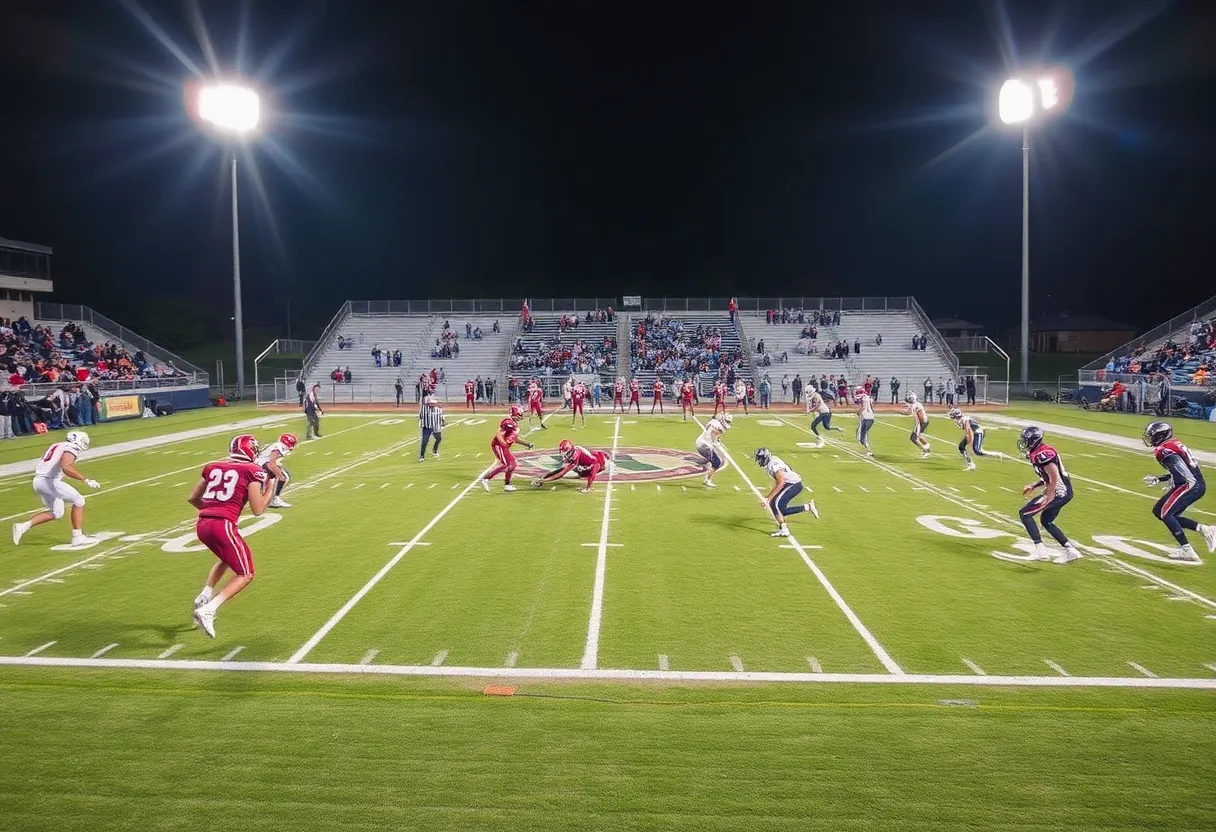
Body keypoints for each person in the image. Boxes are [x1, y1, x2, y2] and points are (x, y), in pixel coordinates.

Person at [188, 434, 276, 638]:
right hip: (223, 525)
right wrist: (271, 487)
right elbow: (258, 509)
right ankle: (209, 609)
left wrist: (212, 511)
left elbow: (193, 498)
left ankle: (205, 595)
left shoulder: (212, 467)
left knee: (227, 559)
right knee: (246, 573)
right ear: (252, 451)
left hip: (202, 524)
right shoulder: (251, 470)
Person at [1140, 421, 1216, 561]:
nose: (1150, 438)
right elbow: (1183, 470)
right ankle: (1205, 529)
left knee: (1166, 514)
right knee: (1158, 511)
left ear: (1160, 435)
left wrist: (1171, 482)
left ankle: (1187, 550)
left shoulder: (1163, 450)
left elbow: (1182, 473)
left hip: (1190, 485)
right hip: (1192, 483)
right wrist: (1160, 479)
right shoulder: (1172, 445)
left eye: (1152, 435)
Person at [12, 430, 101, 547]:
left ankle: (22, 527)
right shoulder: (70, 448)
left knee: (56, 512)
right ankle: (78, 537)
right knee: (79, 500)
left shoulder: (57, 445)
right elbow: (66, 467)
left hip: (38, 480)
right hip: (49, 480)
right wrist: (85, 480)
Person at [1016, 426, 1083, 564]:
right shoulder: (1038, 452)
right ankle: (1071, 551)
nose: (1024, 442)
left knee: (1025, 514)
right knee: (1046, 521)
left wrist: (1049, 496)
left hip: (1059, 492)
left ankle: (1041, 551)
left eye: (1026, 440)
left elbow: (1053, 478)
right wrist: (1033, 485)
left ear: (1034, 440)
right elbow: (1047, 477)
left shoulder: (1043, 454)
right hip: (1060, 491)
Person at [754, 448, 818, 538]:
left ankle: (784, 530)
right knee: (780, 510)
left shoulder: (773, 464)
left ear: (765, 457)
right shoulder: (772, 461)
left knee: (775, 504)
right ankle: (807, 507)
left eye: (760, 458)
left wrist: (767, 498)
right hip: (789, 483)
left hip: (793, 484)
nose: (758, 461)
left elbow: (781, 482)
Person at [482, 406, 534, 492]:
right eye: (520, 414)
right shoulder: (508, 422)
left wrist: (526, 444)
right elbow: (499, 434)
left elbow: (514, 438)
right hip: (499, 445)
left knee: (512, 464)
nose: (522, 415)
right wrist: (504, 444)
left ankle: (507, 485)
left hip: (503, 446)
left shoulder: (514, 424)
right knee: (506, 465)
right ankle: (486, 479)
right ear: (515, 414)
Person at [530, 439, 610, 493]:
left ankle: (542, 480)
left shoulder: (576, 456)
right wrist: (543, 479)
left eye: (566, 453)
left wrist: (587, 488)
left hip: (590, 466)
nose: (565, 455)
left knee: (568, 473)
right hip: (585, 464)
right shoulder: (574, 452)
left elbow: (561, 474)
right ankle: (541, 479)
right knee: (560, 470)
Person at [255, 432, 297, 508]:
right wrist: (279, 475)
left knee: (277, 475)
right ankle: (274, 500)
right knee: (284, 476)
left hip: (257, 464)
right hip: (260, 465)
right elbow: (271, 463)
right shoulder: (279, 447)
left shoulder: (275, 445)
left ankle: (262, 497)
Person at [694, 414, 732, 488]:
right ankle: (707, 480)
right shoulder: (720, 428)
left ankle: (704, 469)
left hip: (700, 442)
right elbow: (714, 440)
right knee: (717, 463)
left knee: (711, 462)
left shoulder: (713, 421)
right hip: (704, 446)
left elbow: (712, 421)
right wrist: (719, 446)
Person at [419, 395, 445, 461]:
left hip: (436, 427)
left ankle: (434, 450)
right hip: (427, 428)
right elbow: (421, 416)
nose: (432, 405)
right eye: (431, 403)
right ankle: (422, 456)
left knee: (439, 438)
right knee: (424, 442)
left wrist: (442, 423)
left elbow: (442, 417)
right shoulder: (424, 410)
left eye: (433, 404)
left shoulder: (439, 410)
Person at [904, 393, 931, 457]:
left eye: (910, 398)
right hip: (923, 422)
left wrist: (903, 412)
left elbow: (911, 413)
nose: (910, 400)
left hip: (920, 422)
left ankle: (925, 450)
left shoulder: (915, 405)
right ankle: (926, 446)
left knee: (913, 438)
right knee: (918, 437)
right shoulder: (917, 404)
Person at [854, 385, 875, 457]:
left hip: (865, 417)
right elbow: (872, 408)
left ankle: (868, 450)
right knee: (864, 433)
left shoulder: (863, 399)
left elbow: (862, 407)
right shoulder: (869, 398)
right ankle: (868, 450)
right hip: (871, 418)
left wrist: (858, 413)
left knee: (859, 436)